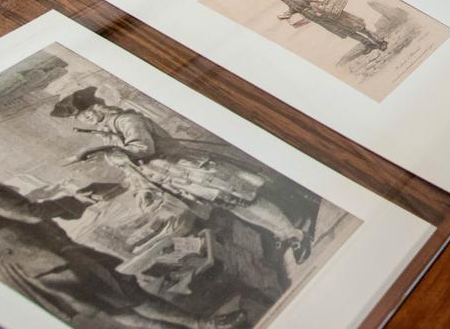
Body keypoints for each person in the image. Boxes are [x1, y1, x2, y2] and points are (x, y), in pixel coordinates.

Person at [0, 146, 244, 329]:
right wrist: (78, 202)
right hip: (52, 258)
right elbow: (28, 214)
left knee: (110, 304)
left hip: (33, 264)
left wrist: (62, 199)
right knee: (122, 292)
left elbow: (10, 218)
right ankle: (201, 326)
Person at [52, 86, 320, 263]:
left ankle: (294, 234)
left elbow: (143, 148)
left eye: (86, 113)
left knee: (244, 199)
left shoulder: (125, 120)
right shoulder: (107, 129)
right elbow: (130, 164)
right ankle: (284, 232)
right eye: (80, 118)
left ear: (96, 107)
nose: (84, 120)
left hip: (188, 167)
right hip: (175, 177)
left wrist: (102, 148)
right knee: (232, 205)